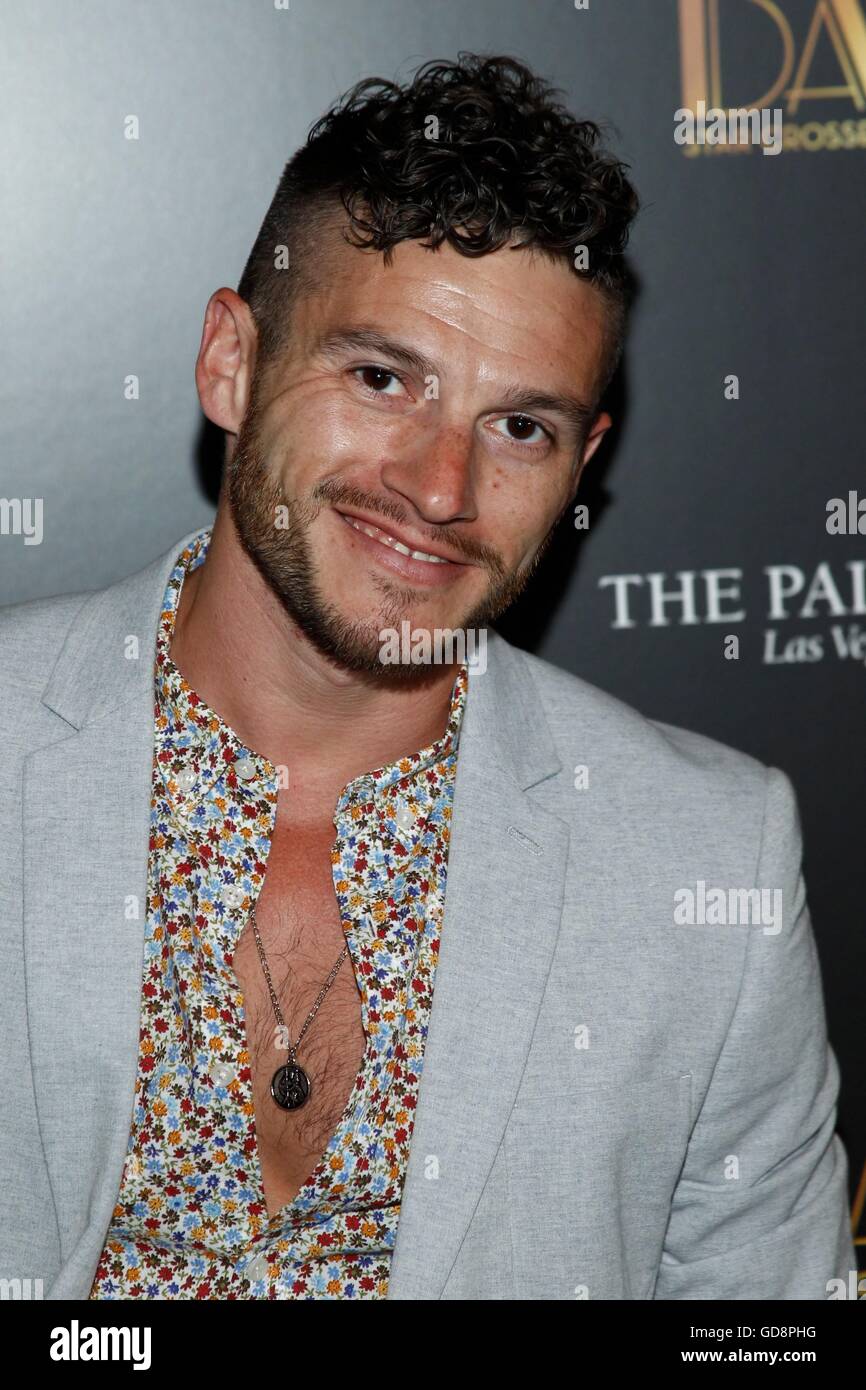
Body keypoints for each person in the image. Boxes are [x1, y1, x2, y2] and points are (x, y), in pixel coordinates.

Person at [1, 53, 855, 1301]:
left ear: (583, 460)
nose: (440, 488)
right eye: (381, 378)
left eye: (519, 425)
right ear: (230, 364)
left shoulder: (706, 859)